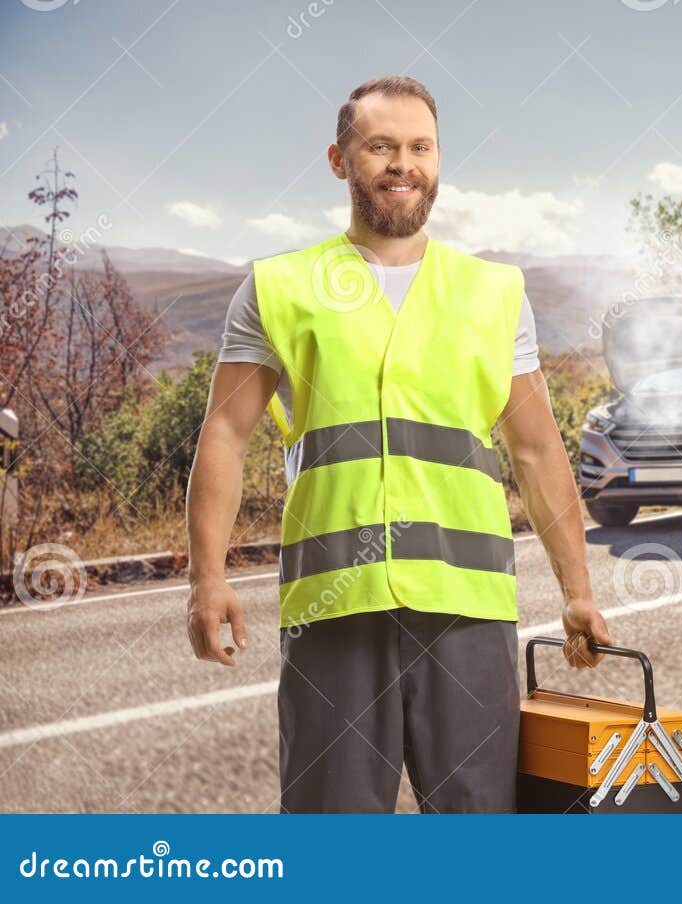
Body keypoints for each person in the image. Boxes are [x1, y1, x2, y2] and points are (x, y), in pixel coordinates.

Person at [184, 75, 611, 813]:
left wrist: (577, 593)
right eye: (379, 146)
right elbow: (225, 430)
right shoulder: (279, 286)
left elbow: (538, 450)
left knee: (480, 833)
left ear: (439, 160)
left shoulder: (494, 291)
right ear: (339, 158)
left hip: (467, 605)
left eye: (420, 147)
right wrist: (205, 578)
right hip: (333, 609)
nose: (401, 164)